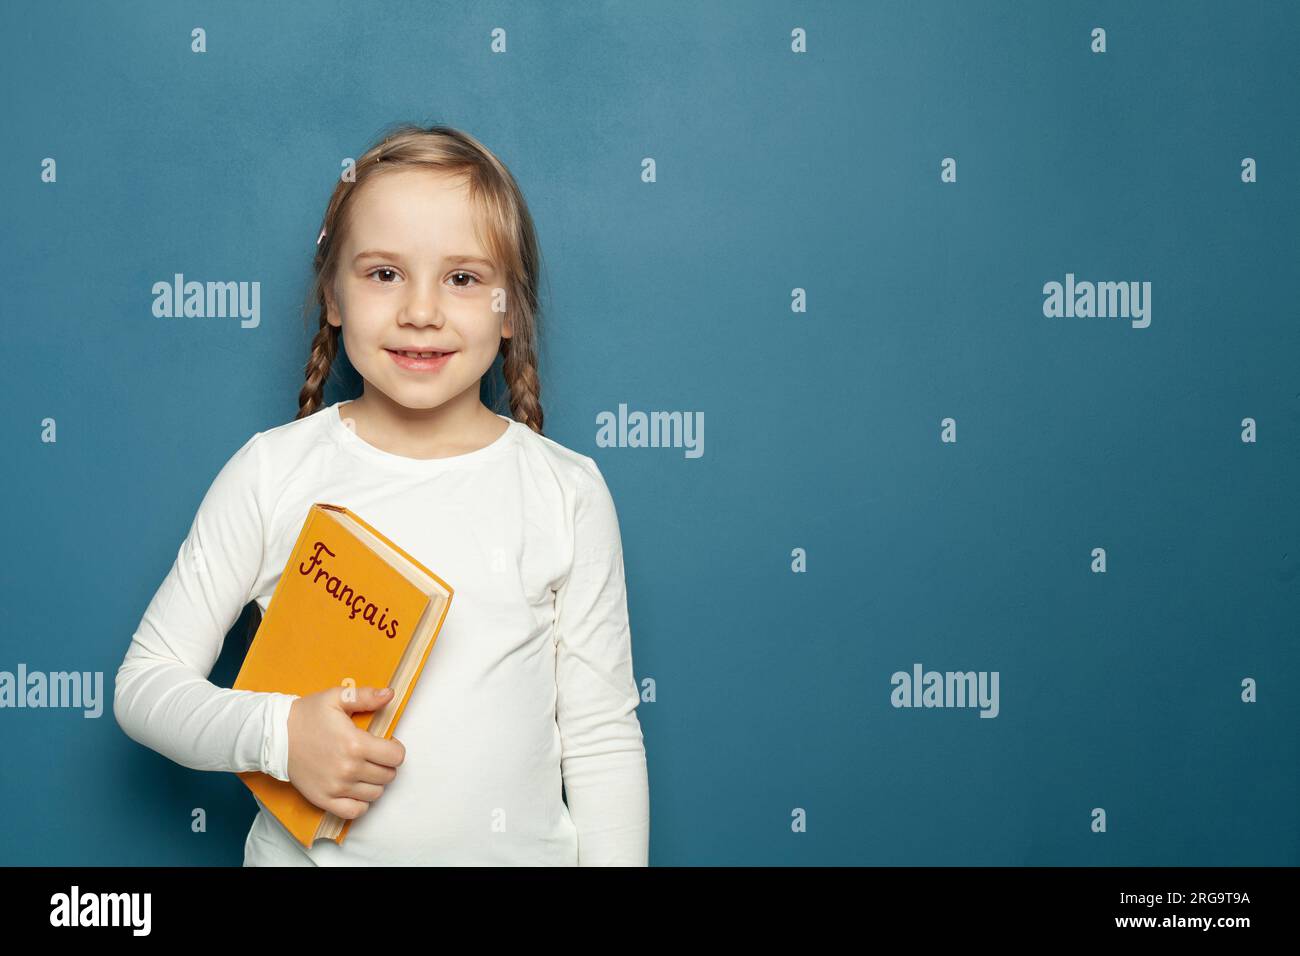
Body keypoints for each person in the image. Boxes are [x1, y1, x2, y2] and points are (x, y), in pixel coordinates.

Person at [113, 124, 649, 866]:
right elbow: (145, 688)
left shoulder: (567, 492)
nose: (420, 311)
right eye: (384, 274)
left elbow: (601, 738)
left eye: (462, 278)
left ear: (510, 311)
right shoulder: (273, 474)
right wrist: (280, 737)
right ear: (332, 296)